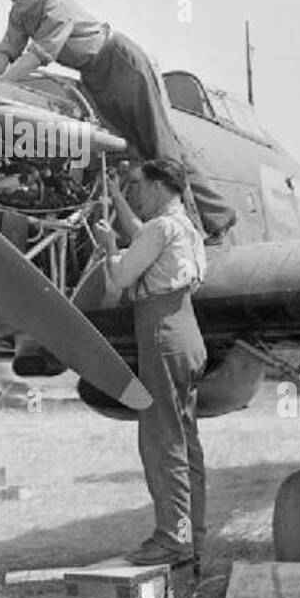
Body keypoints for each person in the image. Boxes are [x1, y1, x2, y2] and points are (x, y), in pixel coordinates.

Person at [0, 0, 236, 240]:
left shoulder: (57, 7)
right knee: (137, 148)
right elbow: (5, 53)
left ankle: (204, 227)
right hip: (94, 76)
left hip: (120, 65)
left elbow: (35, 57)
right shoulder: (19, 14)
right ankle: (202, 219)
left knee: (162, 150)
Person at [91, 158, 208, 567]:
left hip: (161, 333)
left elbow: (123, 276)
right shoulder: (184, 227)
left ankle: (171, 538)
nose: (135, 191)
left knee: (160, 440)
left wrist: (108, 249)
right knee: (185, 439)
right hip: (186, 332)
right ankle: (193, 536)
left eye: (137, 184)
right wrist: (118, 197)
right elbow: (143, 238)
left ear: (160, 186)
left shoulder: (162, 228)